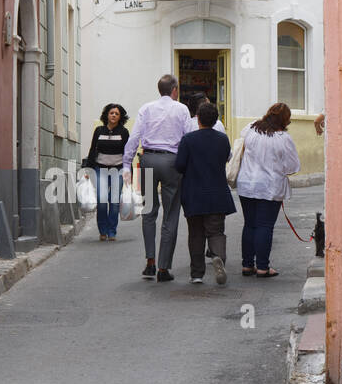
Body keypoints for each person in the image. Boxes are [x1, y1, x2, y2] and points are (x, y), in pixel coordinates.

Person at [123, 73, 191, 282]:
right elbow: (188, 137)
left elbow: (134, 137)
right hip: (172, 163)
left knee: (149, 211)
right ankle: (163, 268)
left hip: (149, 161)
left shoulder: (146, 108)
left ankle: (150, 262)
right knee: (170, 215)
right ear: (175, 90)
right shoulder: (182, 109)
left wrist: (127, 164)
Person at [236, 102, 301, 278]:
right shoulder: (283, 138)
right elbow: (293, 166)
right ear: (285, 120)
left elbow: (242, 145)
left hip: (247, 183)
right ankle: (263, 267)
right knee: (264, 226)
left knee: (250, 224)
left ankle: (247, 265)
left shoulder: (251, 128)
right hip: (269, 186)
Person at [174, 101, 235, 285]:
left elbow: (179, 165)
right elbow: (226, 158)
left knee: (196, 233)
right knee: (215, 231)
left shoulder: (188, 140)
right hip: (217, 192)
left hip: (193, 193)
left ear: (198, 119)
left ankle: (197, 274)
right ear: (216, 120)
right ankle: (218, 257)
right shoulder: (222, 139)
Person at [82, 103, 130, 242]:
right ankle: (102, 230)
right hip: (100, 169)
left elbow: (127, 153)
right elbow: (92, 150)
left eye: (116, 113)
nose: (114, 115)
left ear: (120, 117)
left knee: (114, 202)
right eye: (111, 113)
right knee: (102, 200)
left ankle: (112, 231)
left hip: (118, 169)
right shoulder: (99, 130)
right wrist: (88, 169)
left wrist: (128, 172)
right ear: (106, 115)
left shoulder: (123, 132)